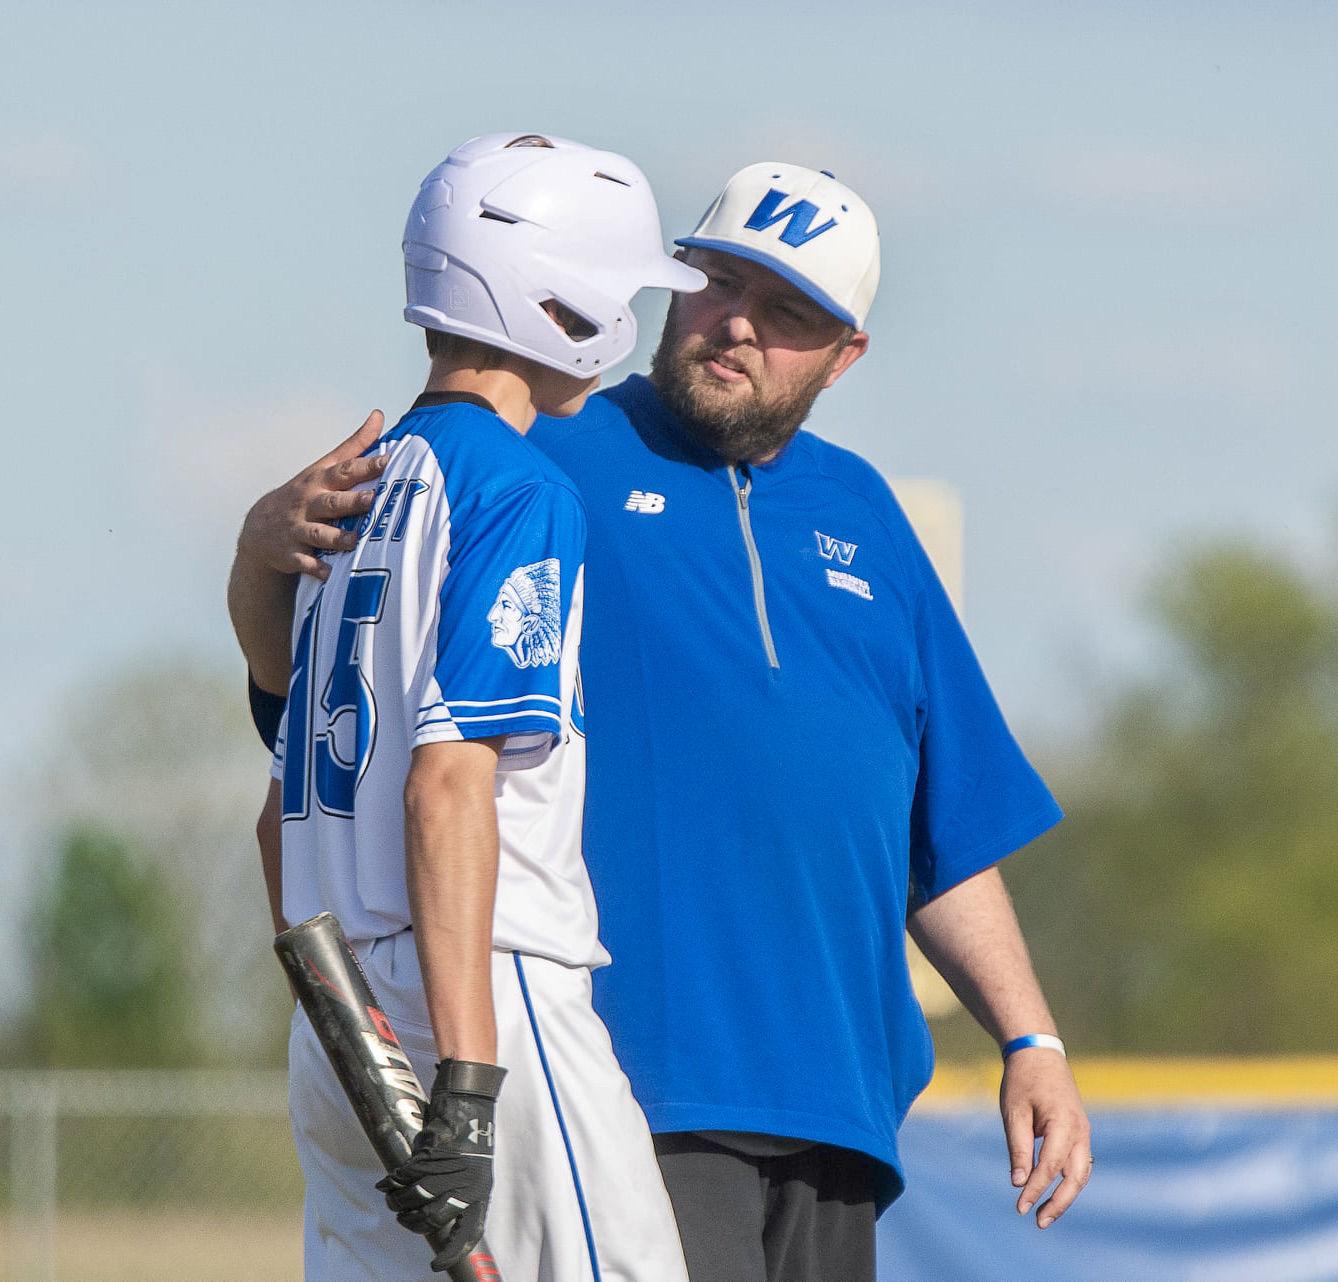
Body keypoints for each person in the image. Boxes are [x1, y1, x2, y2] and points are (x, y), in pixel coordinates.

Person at [232, 161, 1093, 1282]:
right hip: (627, 1079)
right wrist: (259, 550)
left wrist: (1032, 1038)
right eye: (717, 281)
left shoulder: (868, 517)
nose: (738, 322)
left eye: (788, 311)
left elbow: (940, 824)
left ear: (847, 352)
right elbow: (319, 709)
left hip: (838, 1102)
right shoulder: (545, 449)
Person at [244, 131, 705, 1282]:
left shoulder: (347, 493)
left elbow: (276, 813)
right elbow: (450, 782)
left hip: (341, 1018)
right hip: (481, 990)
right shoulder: (518, 488)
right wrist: (466, 1082)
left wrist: (353, 1027)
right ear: (556, 297)